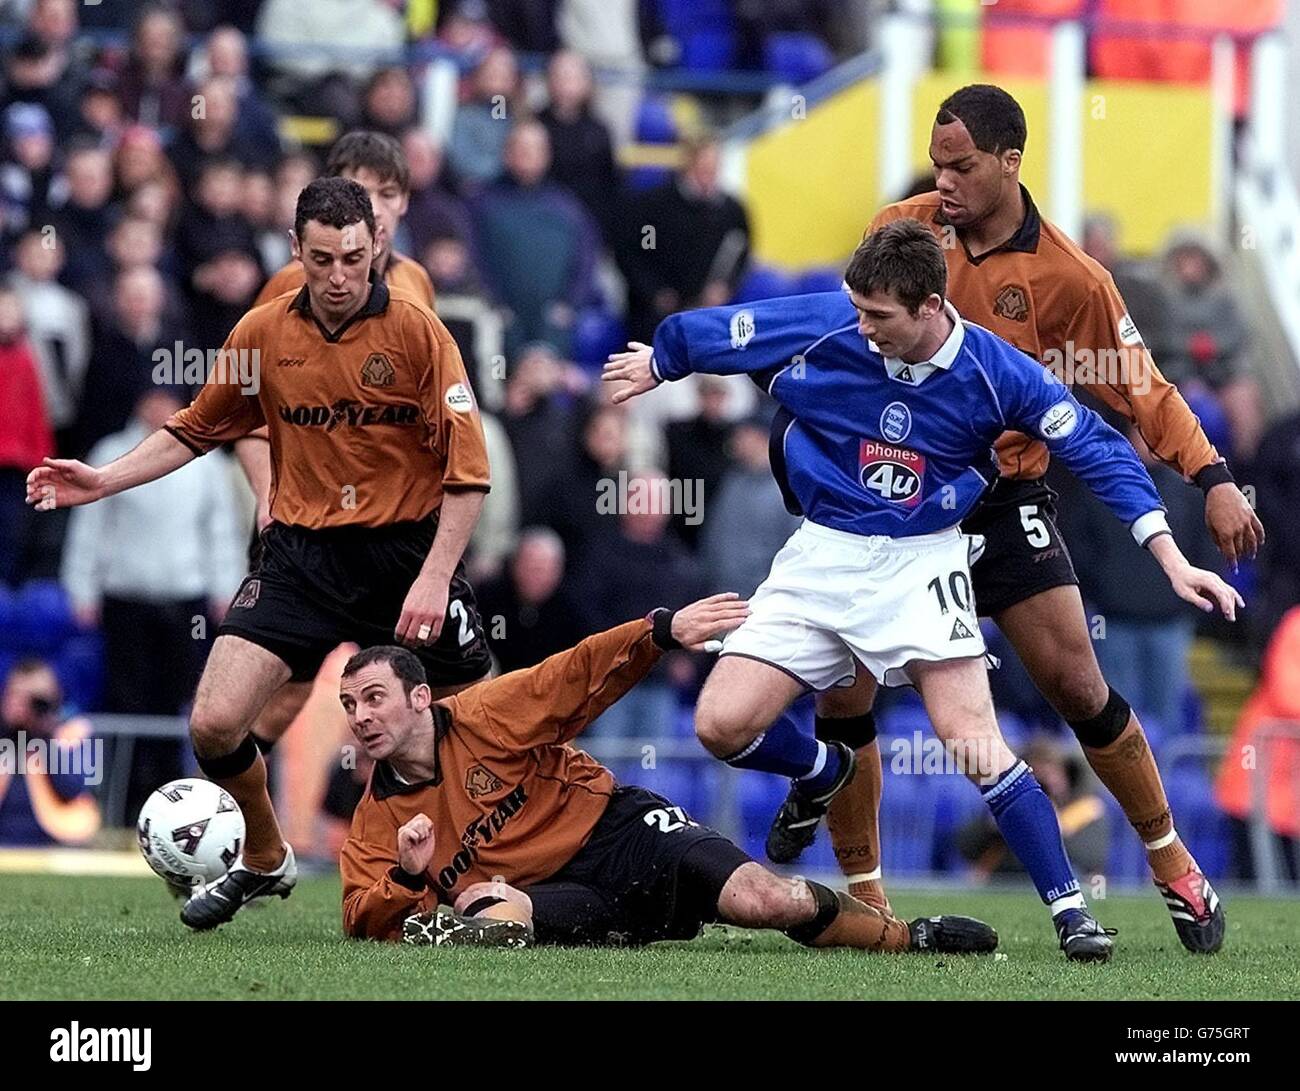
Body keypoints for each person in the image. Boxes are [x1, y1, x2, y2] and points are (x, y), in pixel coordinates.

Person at [603, 221, 1241, 960]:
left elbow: (1096, 449)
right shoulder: (835, 321)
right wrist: (662, 358)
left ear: (931, 305)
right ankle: (821, 770)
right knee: (718, 724)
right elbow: (721, 330)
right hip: (824, 553)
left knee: (974, 740)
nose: (862, 326)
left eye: (878, 316)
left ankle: (1073, 911)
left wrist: (1166, 552)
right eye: (858, 309)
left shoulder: (998, 370)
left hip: (924, 557)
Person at [761, 84, 1260, 954]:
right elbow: (848, 335)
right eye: (937, 164)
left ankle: (1170, 858)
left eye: (960, 166)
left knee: (1077, 686)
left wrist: (1212, 474)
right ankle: (870, 899)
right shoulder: (905, 228)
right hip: (893, 499)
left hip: (1002, 501)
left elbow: (1142, 391)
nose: (942, 181)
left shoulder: (1072, 278)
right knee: (847, 695)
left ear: (1010, 162)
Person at [26, 177, 493, 931]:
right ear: (295, 253)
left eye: (351, 257)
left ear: (374, 246)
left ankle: (486, 870)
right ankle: (267, 853)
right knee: (213, 723)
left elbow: (470, 475)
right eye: (321, 259)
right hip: (300, 558)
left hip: (403, 555)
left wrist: (436, 576)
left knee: (469, 721)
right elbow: (195, 427)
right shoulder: (262, 333)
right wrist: (104, 478)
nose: (339, 276)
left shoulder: (419, 333)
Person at [337, 602, 997, 956]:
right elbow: (358, 917)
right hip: (553, 894)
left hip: (621, 830)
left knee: (765, 903)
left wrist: (658, 632)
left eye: (373, 698)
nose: (360, 717)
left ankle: (910, 935)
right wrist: (407, 877)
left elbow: (577, 671)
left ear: (420, 698)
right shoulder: (376, 823)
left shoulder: (484, 714)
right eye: (349, 706)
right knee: (484, 902)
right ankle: (500, 929)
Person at [235, 131, 440, 757]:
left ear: (404, 204)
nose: (374, 205)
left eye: (387, 192)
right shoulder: (285, 289)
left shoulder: (417, 287)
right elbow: (245, 416)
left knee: (416, 689)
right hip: (304, 522)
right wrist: (270, 500)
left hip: (396, 529)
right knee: (283, 689)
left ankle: (411, 833)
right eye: (360, 189)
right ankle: (236, 816)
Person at [61, 386, 245, 820]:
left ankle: (171, 808)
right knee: (124, 702)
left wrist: (226, 589)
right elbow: (90, 527)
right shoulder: (111, 451)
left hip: (185, 602)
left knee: (178, 704)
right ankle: (121, 808)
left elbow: (221, 531)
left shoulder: (207, 463)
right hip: (125, 600)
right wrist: (81, 589)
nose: (157, 407)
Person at [0, 659, 100, 848]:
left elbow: (74, 788)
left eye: (36, 700)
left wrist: (46, 734)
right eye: (16, 695)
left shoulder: (70, 733)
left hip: (54, 841)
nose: (24, 706)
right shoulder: (5, 739)